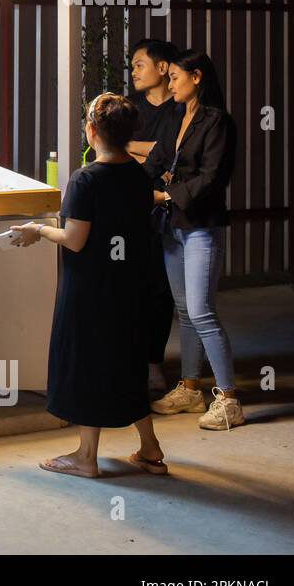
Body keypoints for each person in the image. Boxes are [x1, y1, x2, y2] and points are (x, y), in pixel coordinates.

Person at [11, 93, 166, 478]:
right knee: (126, 362)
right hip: (129, 285)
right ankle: (150, 448)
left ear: (92, 131)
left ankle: (85, 457)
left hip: (91, 289)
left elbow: (75, 239)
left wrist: (38, 230)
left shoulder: (85, 180)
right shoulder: (139, 174)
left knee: (88, 363)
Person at [146, 51, 242, 430]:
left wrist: (168, 194)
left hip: (202, 225)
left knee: (202, 311)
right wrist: (131, 181)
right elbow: (157, 159)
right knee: (184, 310)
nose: (169, 85)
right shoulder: (174, 116)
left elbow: (212, 177)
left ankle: (230, 399)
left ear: (197, 77)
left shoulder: (218, 122)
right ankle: (189, 389)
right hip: (172, 226)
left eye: (175, 78)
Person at [127, 38, 182, 390]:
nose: (133, 72)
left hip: (166, 206)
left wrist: (147, 153)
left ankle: (154, 363)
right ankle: (128, 363)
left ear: (163, 68)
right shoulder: (128, 108)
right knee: (129, 288)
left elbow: (179, 155)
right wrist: (158, 155)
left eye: (139, 64)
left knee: (161, 290)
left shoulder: (181, 107)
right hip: (131, 205)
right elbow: (117, 146)